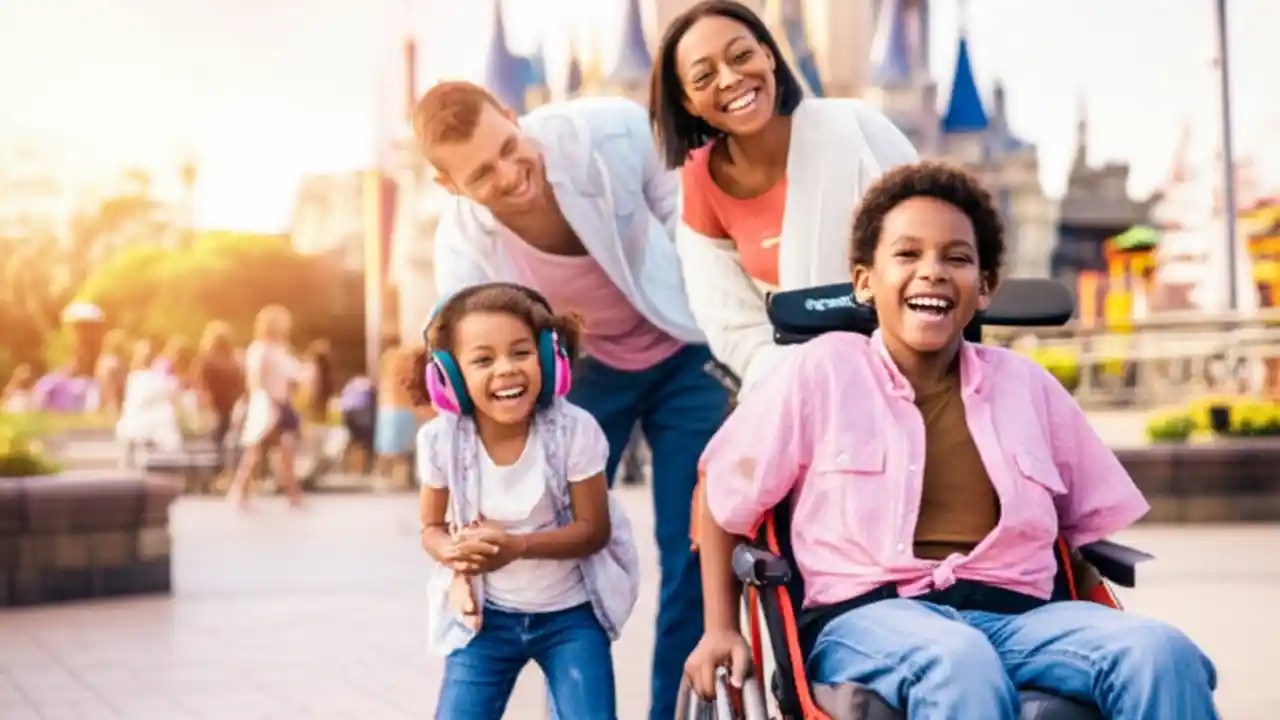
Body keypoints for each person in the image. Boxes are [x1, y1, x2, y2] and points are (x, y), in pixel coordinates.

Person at [684, 163, 1219, 719]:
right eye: (908, 254)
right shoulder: (820, 371)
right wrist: (720, 630)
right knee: (960, 661)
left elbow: (1081, 532)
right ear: (865, 281)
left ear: (984, 288)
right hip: (870, 617)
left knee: (1162, 652)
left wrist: (1091, 599)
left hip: (1023, 617)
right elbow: (722, 500)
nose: (932, 272)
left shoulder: (1027, 386)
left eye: (957, 258)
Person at [413, 80, 729, 719]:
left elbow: (695, 223)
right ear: (452, 187)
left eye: (508, 145)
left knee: (692, 546)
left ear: (512, 112)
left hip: (687, 347)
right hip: (583, 375)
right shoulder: (462, 249)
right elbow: (470, 372)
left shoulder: (610, 132)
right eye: (481, 173)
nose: (509, 173)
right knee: (558, 529)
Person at [649, 0, 918, 392]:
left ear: (770, 56)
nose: (729, 79)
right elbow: (730, 320)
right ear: (688, 102)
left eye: (741, 55)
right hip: (795, 392)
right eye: (704, 77)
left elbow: (932, 240)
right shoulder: (700, 181)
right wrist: (791, 379)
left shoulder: (856, 130)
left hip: (906, 371)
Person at [408, 282, 639, 719]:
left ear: (549, 359)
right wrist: (454, 552)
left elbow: (594, 531)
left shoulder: (575, 430)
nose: (506, 369)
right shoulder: (440, 440)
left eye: (521, 352)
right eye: (482, 359)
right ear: (450, 376)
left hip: (569, 617)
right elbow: (430, 528)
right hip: (486, 619)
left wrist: (518, 548)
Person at [228, 304, 305, 509]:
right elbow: (255, 380)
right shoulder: (260, 349)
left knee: (272, 452)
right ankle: (243, 489)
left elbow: (292, 376)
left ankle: (290, 493)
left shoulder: (282, 349)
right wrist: (267, 401)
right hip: (267, 405)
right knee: (259, 452)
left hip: (280, 403)